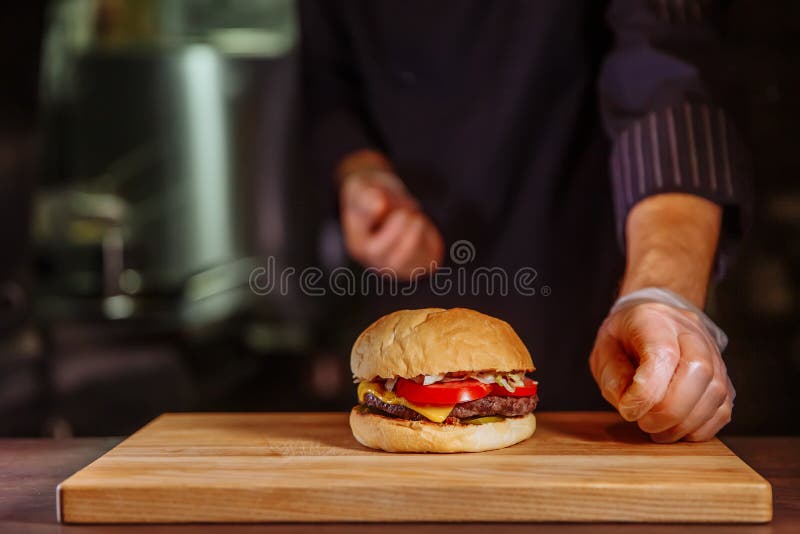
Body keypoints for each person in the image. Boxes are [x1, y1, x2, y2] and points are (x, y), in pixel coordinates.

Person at [300, 0, 748, 442]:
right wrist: (360, 172)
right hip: (398, 291)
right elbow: (327, 82)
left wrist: (663, 293)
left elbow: (668, 75)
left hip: (579, 277)